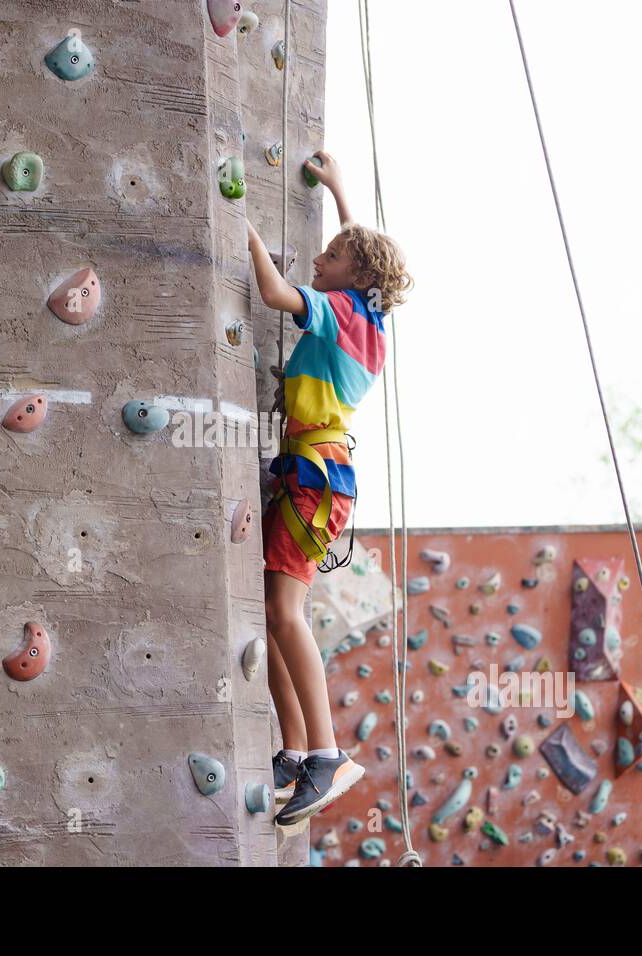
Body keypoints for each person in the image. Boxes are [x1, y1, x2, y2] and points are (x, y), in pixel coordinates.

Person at [244, 150, 412, 827]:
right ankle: (295, 752)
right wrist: (341, 192)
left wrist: (241, 226)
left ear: (357, 276)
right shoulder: (369, 315)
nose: (319, 257)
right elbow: (363, 254)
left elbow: (274, 294)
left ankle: (327, 753)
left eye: (331, 255)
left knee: (285, 612)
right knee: (271, 611)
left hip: (315, 476)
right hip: (316, 473)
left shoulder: (339, 310)